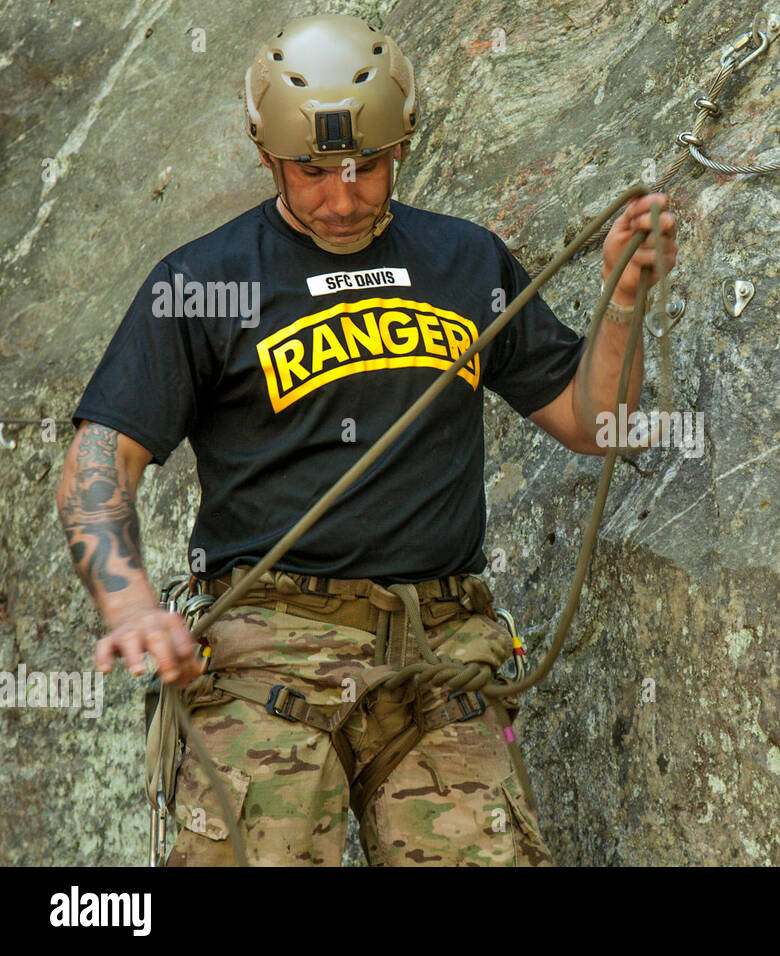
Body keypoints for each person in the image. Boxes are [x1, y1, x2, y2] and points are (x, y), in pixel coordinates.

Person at [55, 12, 677, 866]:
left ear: (403, 148)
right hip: (267, 655)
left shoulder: (466, 261)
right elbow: (101, 458)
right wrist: (128, 606)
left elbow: (591, 423)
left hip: (442, 655)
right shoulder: (202, 282)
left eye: (367, 169)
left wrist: (623, 304)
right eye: (312, 172)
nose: (341, 198)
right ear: (265, 154)